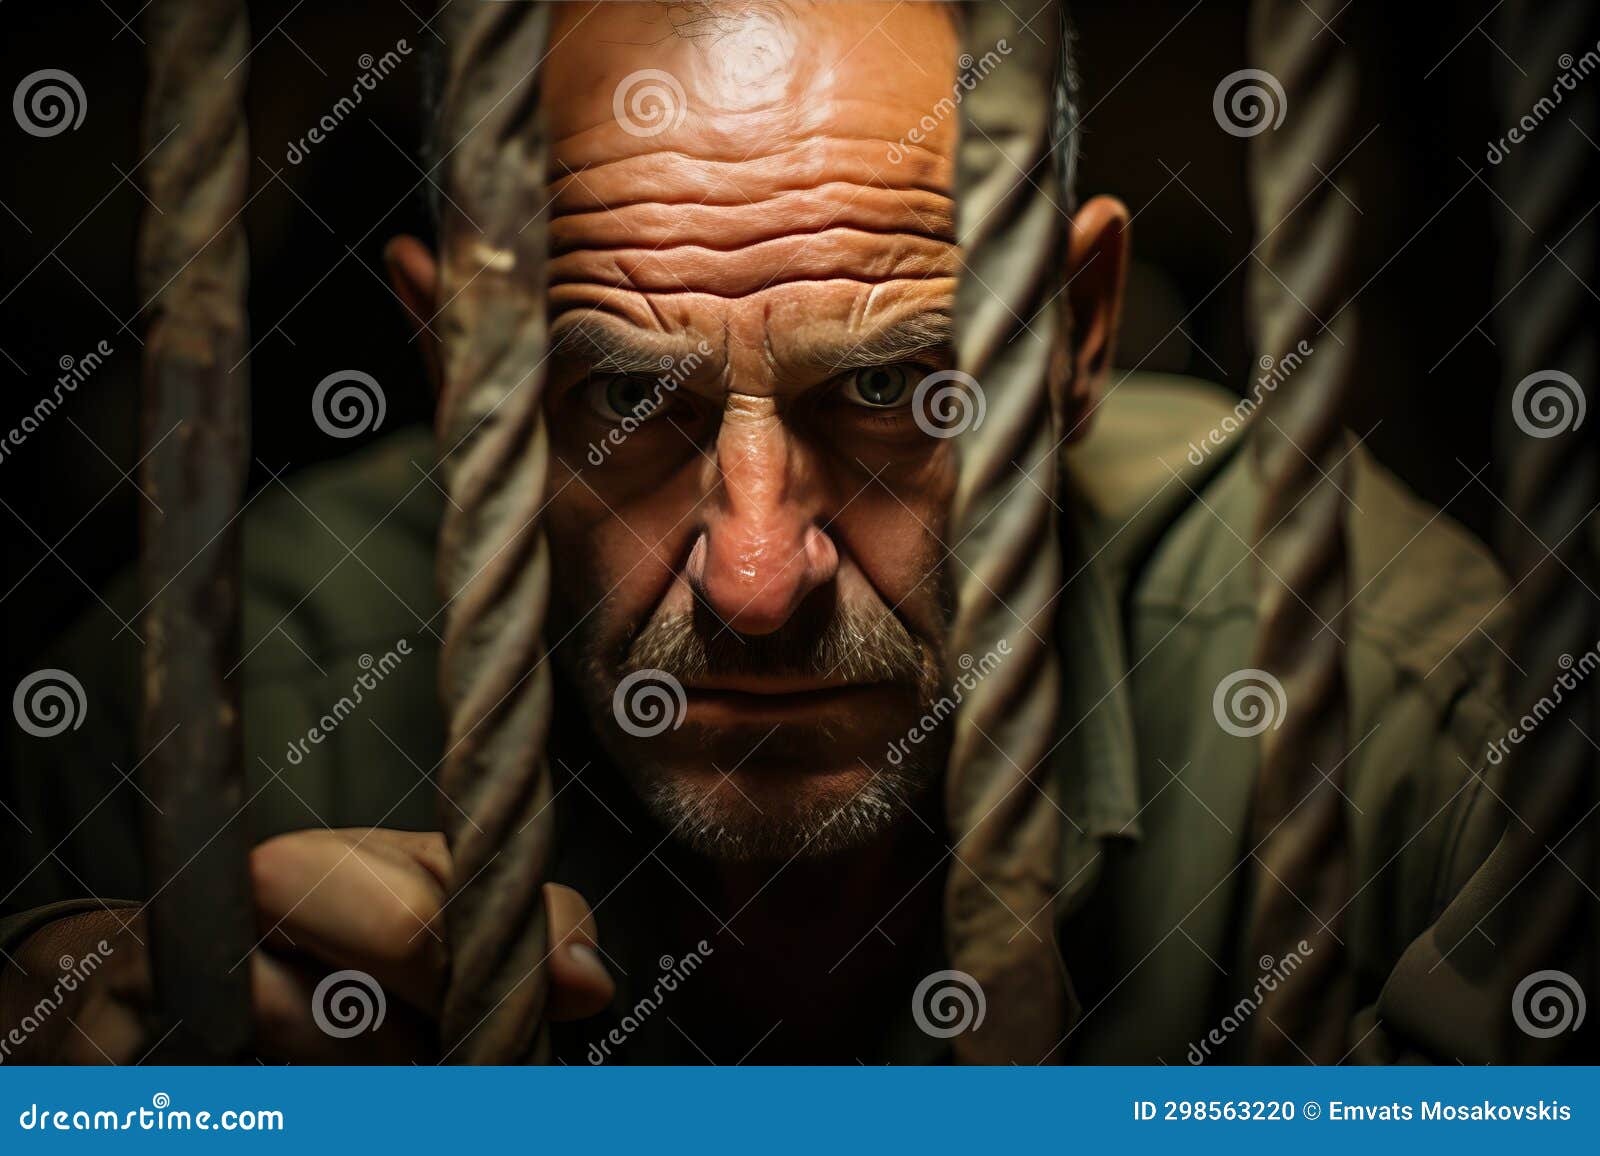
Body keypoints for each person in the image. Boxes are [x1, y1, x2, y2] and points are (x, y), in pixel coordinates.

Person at [0, 1, 1536, 1064]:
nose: (752, 580)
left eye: (888, 391)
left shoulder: (1401, 708)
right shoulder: (196, 706)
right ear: (459, 371)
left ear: (1075, 340)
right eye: (623, 399)